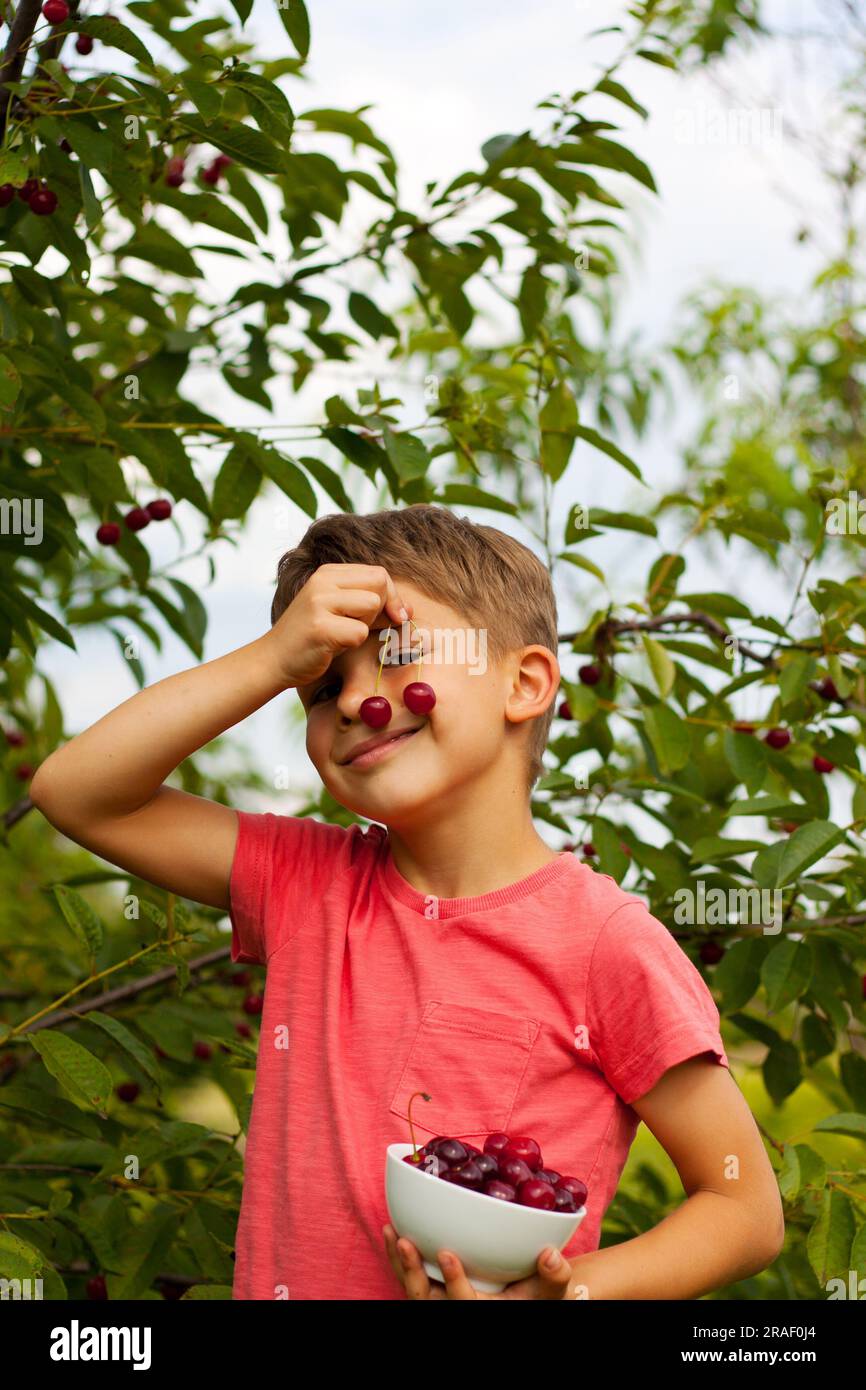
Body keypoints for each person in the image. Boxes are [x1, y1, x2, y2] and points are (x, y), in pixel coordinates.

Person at [30, 503, 784, 1300]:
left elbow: (743, 1208)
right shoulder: (306, 885)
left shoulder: (604, 942)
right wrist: (270, 660)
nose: (356, 701)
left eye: (398, 655)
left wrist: (571, 1295)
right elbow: (77, 792)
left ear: (523, 684)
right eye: (323, 685)